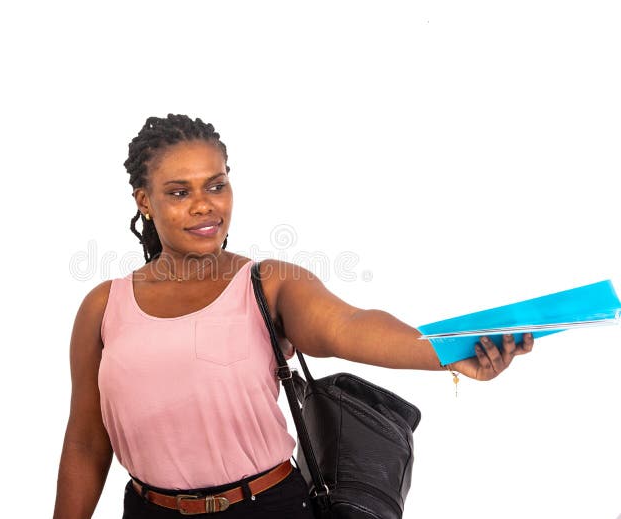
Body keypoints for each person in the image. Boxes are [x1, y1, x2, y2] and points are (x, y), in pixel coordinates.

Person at [52, 114, 534, 519]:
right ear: (144, 200)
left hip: (267, 508)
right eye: (179, 192)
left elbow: (351, 326)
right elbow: (86, 443)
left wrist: (452, 352)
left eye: (216, 185)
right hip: (147, 511)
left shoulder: (268, 284)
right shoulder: (104, 305)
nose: (205, 205)